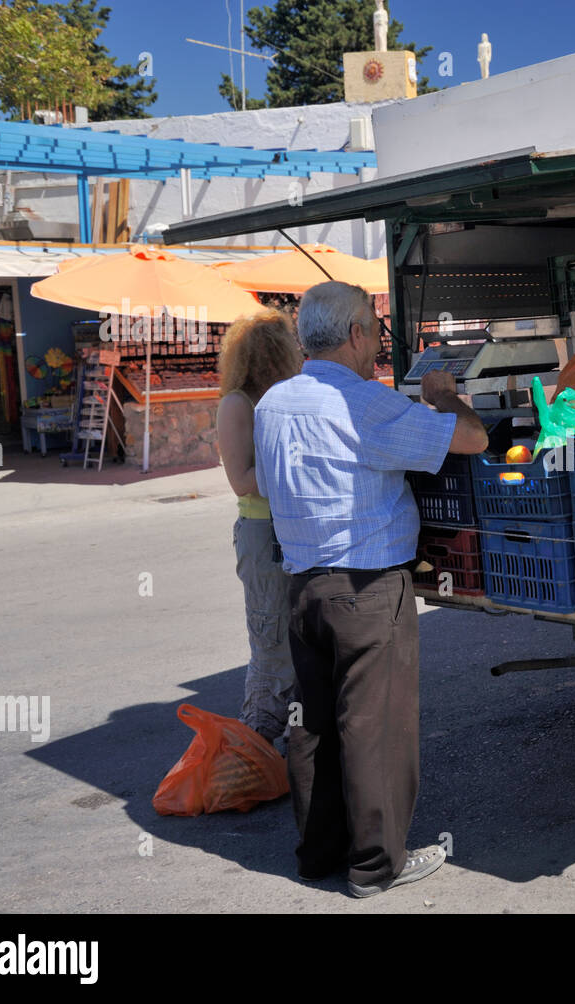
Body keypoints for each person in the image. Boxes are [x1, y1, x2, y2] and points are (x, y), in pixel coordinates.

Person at [254, 281, 488, 896]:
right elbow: (473, 440)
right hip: (366, 587)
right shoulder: (364, 404)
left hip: (301, 586)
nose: (377, 348)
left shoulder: (272, 403)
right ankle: (376, 866)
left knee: (313, 724)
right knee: (373, 728)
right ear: (357, 335)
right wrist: (445, 399)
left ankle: (318, 853)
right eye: (375, 336)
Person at [215, 308, 303, 744]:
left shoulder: (284, 398)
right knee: (271, 643)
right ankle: (256, 744)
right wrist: (298, 468)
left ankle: (289, 740)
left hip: (295, 532)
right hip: (263, 534)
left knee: (298, 638)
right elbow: (241, 481)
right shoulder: (238, 404)